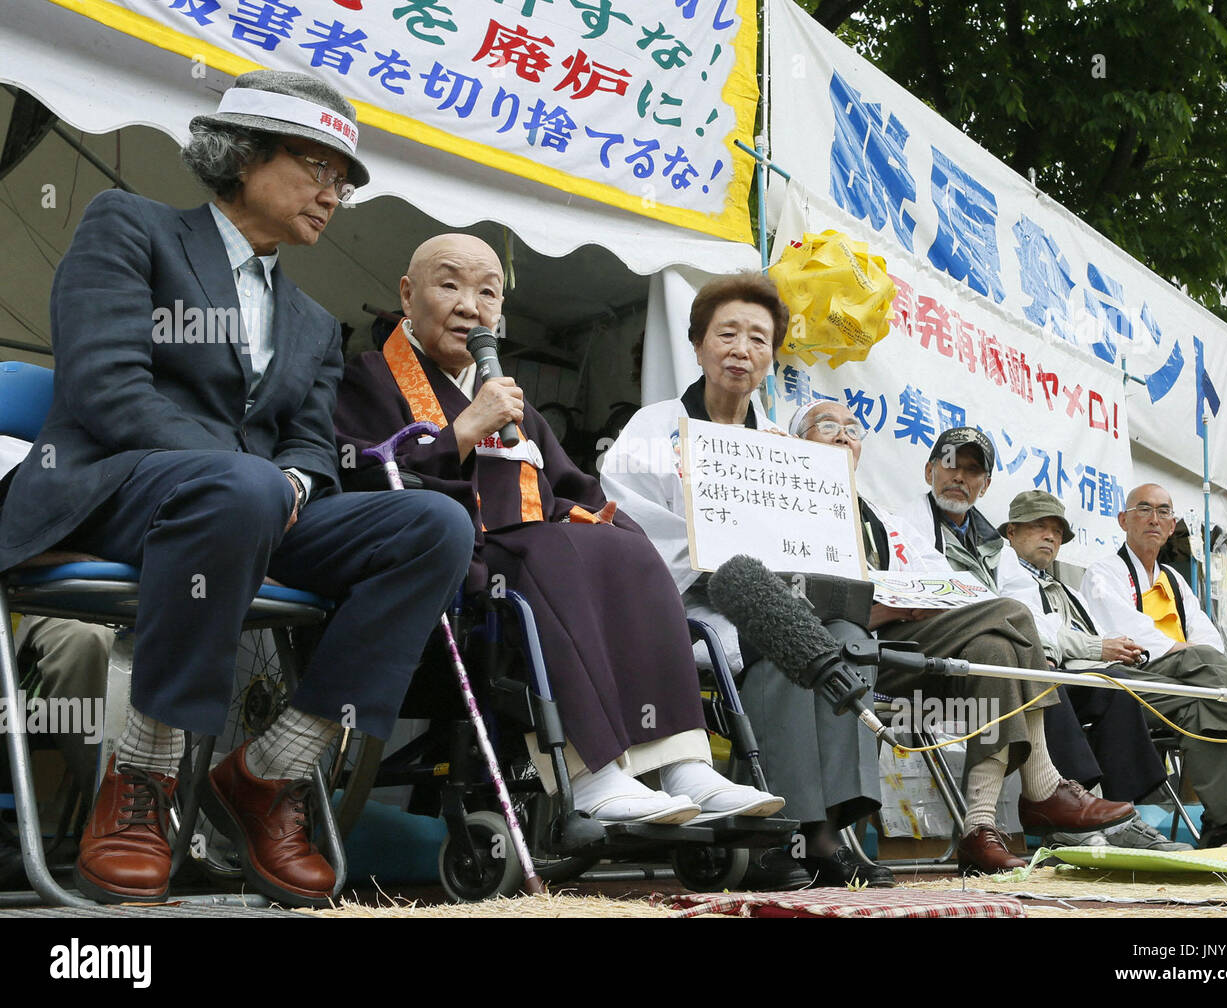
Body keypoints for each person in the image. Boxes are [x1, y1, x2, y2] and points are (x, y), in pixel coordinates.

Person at [0, 71, 476, 907]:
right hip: (117, 494)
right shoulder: (130, 227)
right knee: (238, 487)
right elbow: (108, 387)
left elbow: (309, 445)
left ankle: (270, 770)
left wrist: (291, 476)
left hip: (248, 510)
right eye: (317, 167)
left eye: (345, 182)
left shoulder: (313, 321)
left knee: (435, 524)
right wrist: (249, 475)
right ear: (242, 155)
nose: (333, 195)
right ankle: (142, 776)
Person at [333, 234, 782, 829]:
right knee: (551, 549)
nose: (470, 305)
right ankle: (590, 772)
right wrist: (462, 432)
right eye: (450, 285)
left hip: (536, 566)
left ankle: (680, 761)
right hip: (449, 577)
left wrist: (609, 532)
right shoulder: (365, 381)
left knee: (629, 546)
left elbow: (576, 492)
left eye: (487, 293)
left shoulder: (516, 406)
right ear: (407, 295)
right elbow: (361, 482)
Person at [601, 272, 895, 889]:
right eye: (727, 333)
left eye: (758, 339)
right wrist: (721, 553)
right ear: (699, 343)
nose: (742, 349)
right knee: (779, 636)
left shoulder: (779, 446)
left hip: (778, 596)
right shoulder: (654, 429)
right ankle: (784, 828)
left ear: (770, 359)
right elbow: (628, 522)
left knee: (848, 635)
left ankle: (835, 825)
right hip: (689, 600)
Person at [792, 403, 1133, 873]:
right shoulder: (791, 498)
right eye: (827, 427)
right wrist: (880, 605)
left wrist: (916, 598)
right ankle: (1042, 786)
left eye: (852, 429)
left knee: (997, 645)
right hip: (845, 644)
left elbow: (941, 584)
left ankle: (978, 828)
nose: (842, 436)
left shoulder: (884, 518)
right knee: (1013, 615)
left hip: (909, 646)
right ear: (930, 470)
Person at [1082, 483, 1227, 846]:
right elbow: (1132, 637)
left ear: (1172, 525)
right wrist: (1187, 654)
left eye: (1164, 511)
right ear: (1123, 520)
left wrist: (1193, 657)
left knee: (1205, 709)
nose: (1155, 519)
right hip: (1128, 684)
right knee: (1202, 663)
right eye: (1144, 509)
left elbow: (1210, 638)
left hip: (1179, 688)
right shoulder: (1104, 573)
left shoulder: (1175, 580)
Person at [998, 490, 1191, 850]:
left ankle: (1121, 813)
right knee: (1057, 681)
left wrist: (1117, 650)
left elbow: (1093, 640)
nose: (1050, 537)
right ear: (1011, 533)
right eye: (1039, 526)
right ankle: (1077, 810)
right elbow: (1032, 630)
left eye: (1056, 531)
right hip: (1028, 675)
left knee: (1116, 687)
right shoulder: (1003, 571)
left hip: (1075, 673)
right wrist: (1098, 649)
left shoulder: (1065, 588)